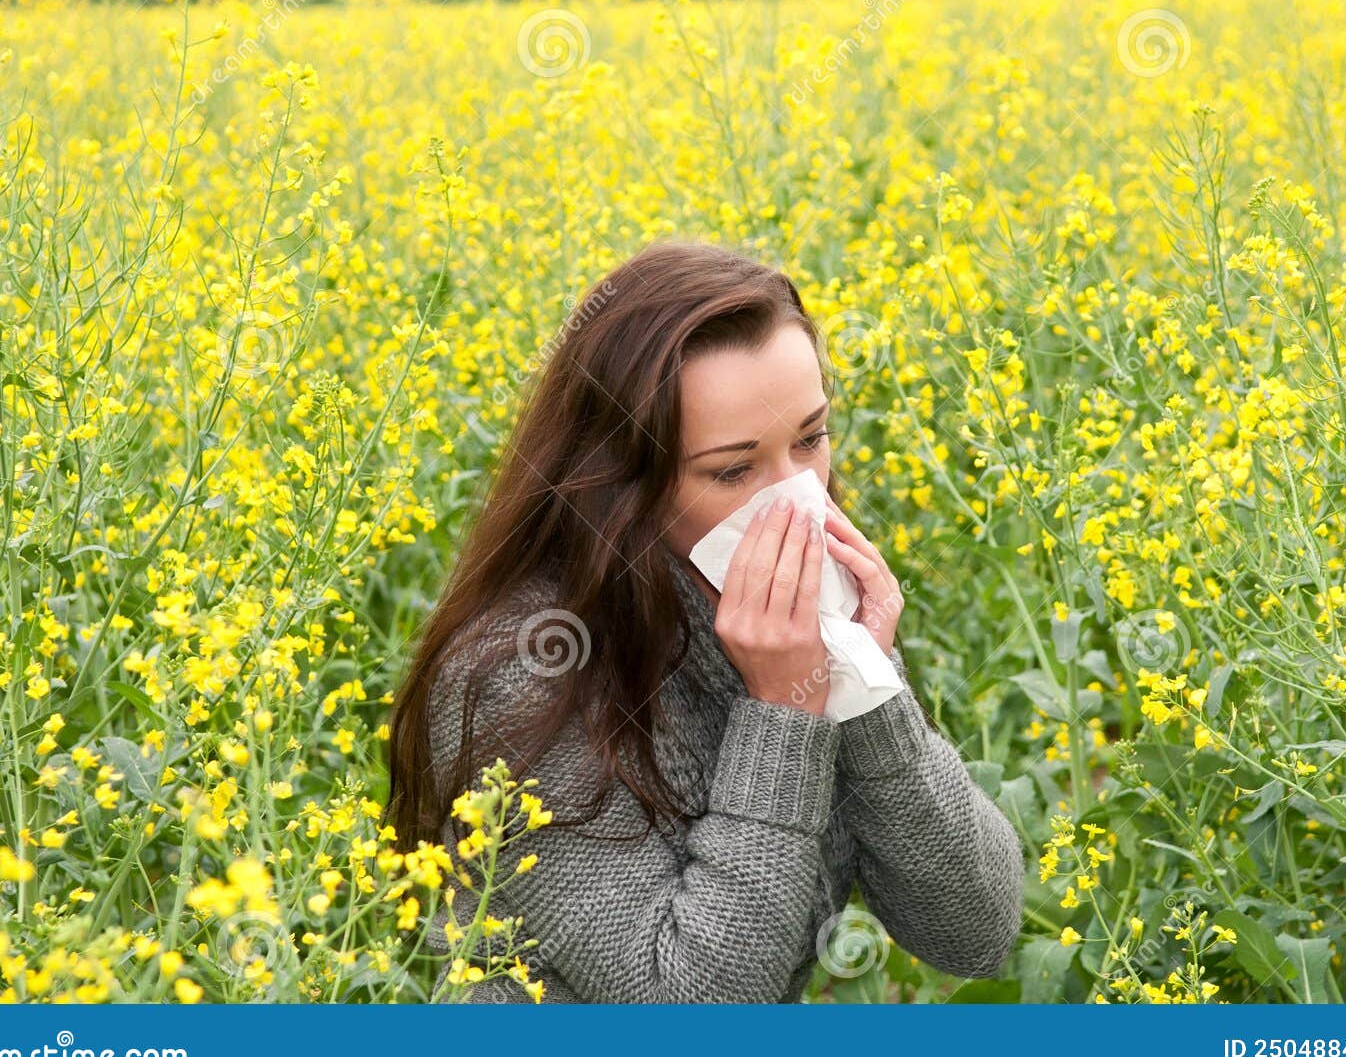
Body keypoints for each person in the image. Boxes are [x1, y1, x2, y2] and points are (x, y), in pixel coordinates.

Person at [386, 239, 1025, 1002]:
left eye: (810, 438)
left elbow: (976, 931)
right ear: (624, 483)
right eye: (732, 469)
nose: (797, 499)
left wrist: (866, 690)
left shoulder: (805, 610)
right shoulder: (524, 672)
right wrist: (783, 710)